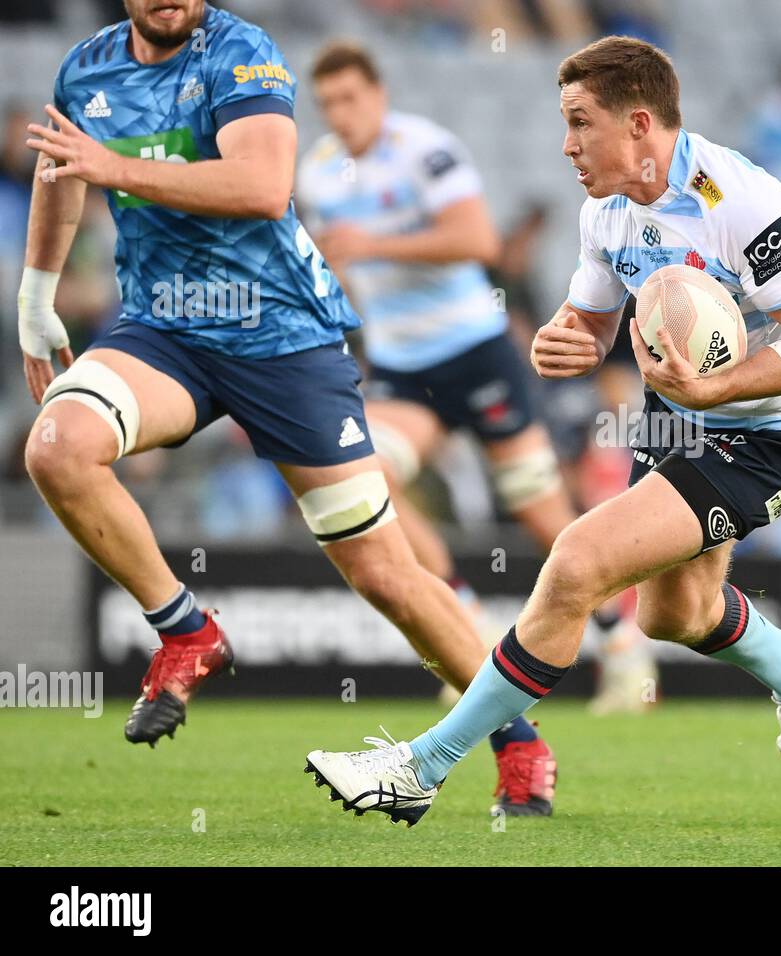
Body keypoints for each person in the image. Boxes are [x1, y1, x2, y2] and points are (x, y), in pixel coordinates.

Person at [18, 0, 554, 817]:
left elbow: (264, 188)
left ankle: (518, 744)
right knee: (57, 445)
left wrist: (109, 166)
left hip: (283, 338)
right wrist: (36, 297)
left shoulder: (242, 52)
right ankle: (187, 631)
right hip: (164, 326)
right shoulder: (86, 69)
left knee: (385, 575)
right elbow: (60, 171)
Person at [304, 35, 781, 825]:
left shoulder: (742, 200)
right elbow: (591, 321)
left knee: (576, 562)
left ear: (638, 125)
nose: (565, 146)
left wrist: (718, 384)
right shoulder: (607, 212)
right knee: (672, 616)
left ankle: (421, 767)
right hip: (675, 418)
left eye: (578, 123)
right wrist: (567, 340)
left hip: (767, 435)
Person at [295, 41, 654, 719]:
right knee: (366, 481)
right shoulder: (318, 174)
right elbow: (338, 268)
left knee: (542, 512)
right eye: (328, 104)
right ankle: (464, 620)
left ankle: (622, 646)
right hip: (404, 367)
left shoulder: (426, 150)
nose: (340, 115)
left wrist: (376, 245)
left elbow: (477, 239)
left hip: (476, 351)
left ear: (377, 94)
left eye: (350, 99)